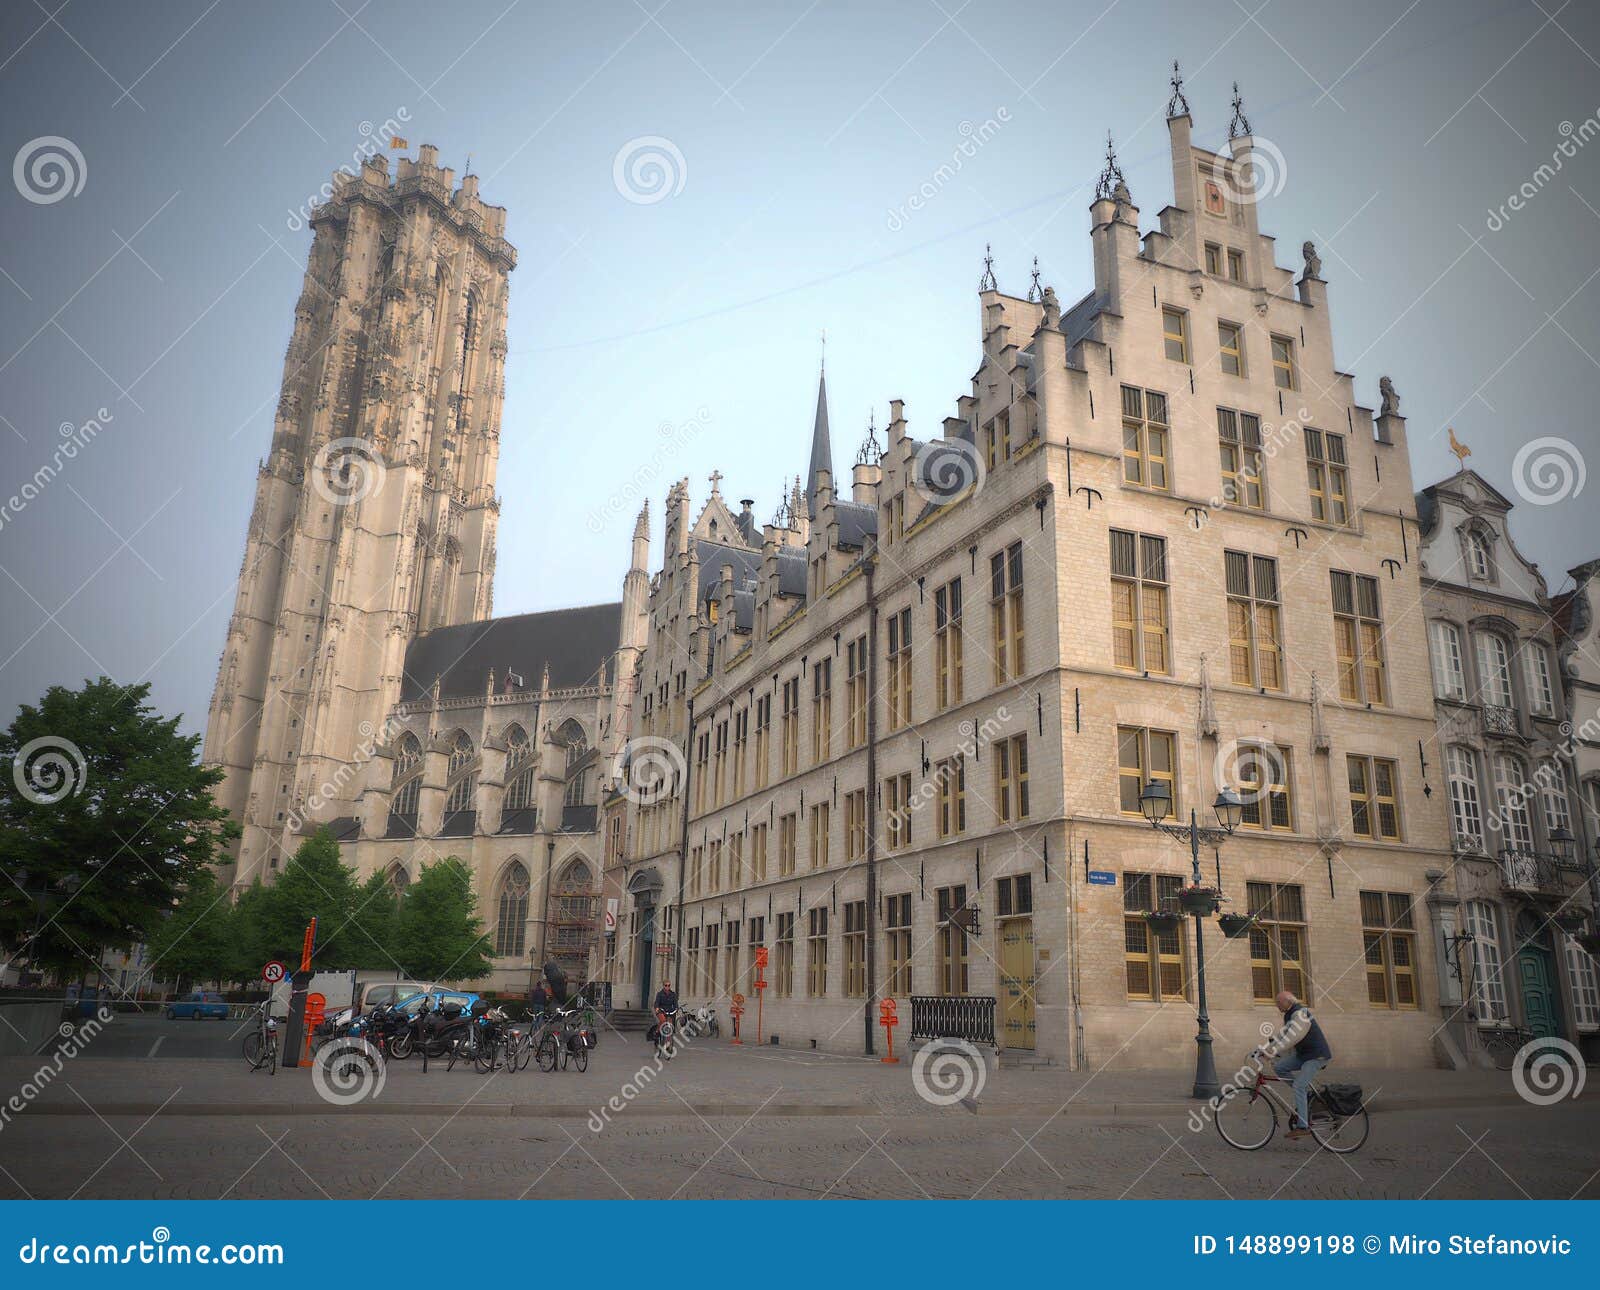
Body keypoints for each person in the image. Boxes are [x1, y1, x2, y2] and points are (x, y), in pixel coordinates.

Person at [1256, 990, 1332, 1138]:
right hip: (1304, 1056)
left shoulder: (1300, 1014)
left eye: (1279, 1002)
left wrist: (1272, 1052)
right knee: (1280, 1067)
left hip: (1317, 1056)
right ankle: (1307, 1095)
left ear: (1288, 1001)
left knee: (1298, 1085)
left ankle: (1303, 1126)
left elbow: (1292, 1038)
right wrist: (1265, 1049)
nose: (1277, 1005)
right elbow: (1282, 1035)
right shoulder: (1289, 1014)